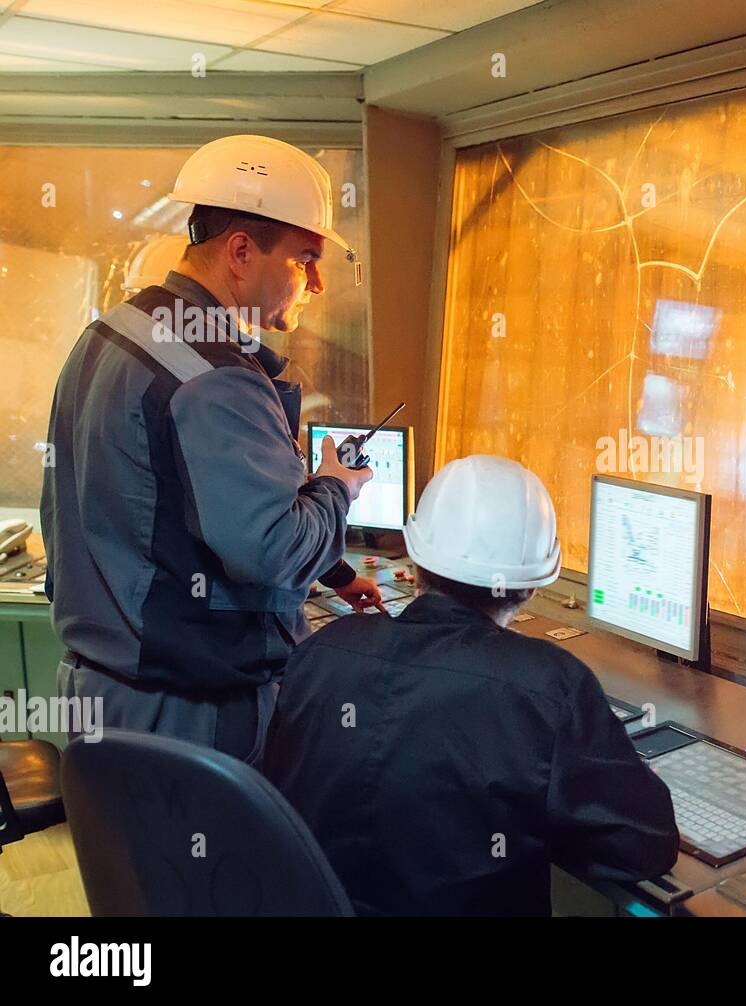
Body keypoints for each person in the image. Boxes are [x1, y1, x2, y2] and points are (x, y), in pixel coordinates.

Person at [40, 134, 384, 765]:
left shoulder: (111, 333)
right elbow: (272, 553)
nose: (314, 283)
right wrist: (337, 487)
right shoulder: (216, 374)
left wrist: (334, 571)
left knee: (135, 864)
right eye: (305, 259)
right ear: (242, 251)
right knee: (214, 865)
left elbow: (166, 501)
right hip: (184, 715)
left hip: (101, 692)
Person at [262, 455, 679, 915]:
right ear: (535, 586)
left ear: (416, 558)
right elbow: (644, 845)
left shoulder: (320, 651)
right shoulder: (548, 684)